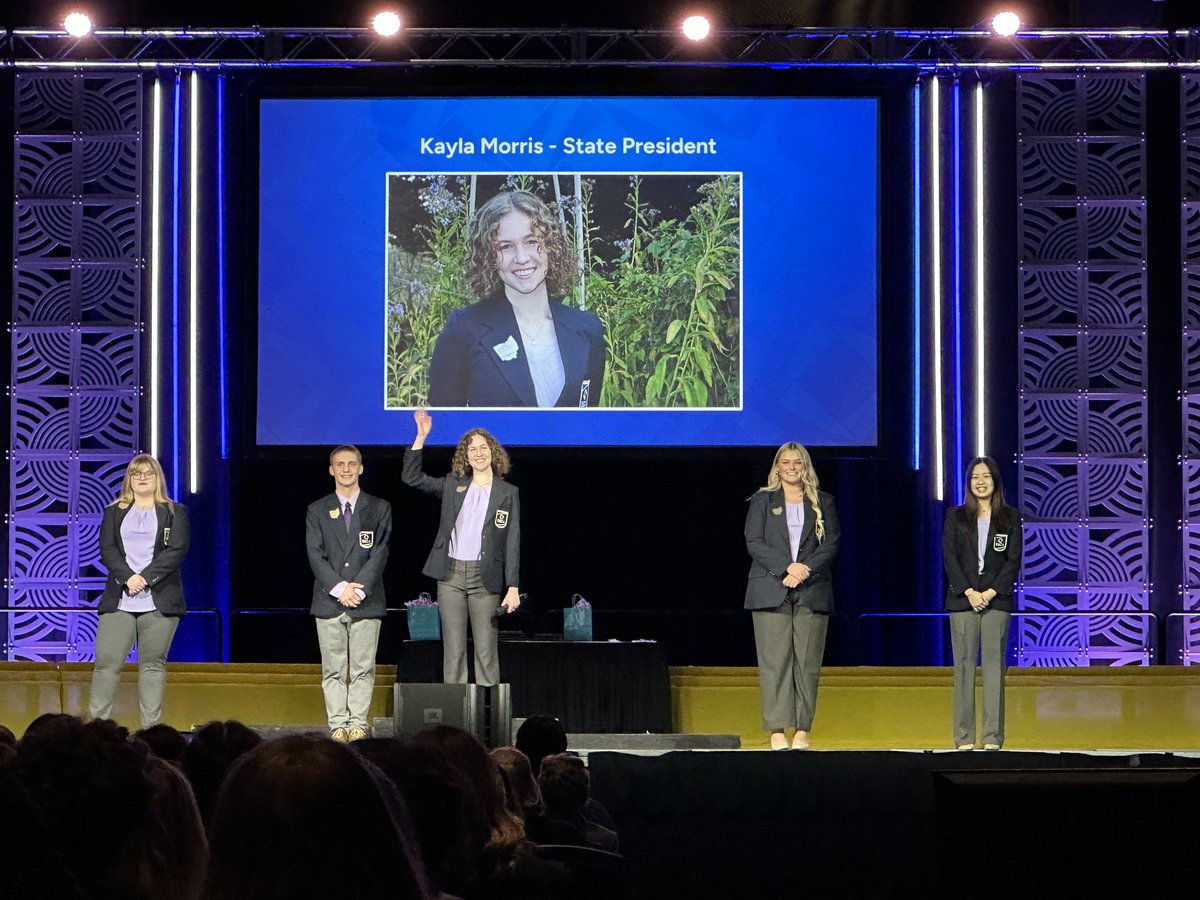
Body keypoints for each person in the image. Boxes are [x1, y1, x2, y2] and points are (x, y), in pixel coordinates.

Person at [428, 189, 606, 408]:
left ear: (551, 246)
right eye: (506, 246)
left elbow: (588, 417)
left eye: (531, 241)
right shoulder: (464, 330)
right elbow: (443, 423)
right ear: (488, 256)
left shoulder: (588, 329)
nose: (521, 258)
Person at [403, 409, 521, 685]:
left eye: (483, 447)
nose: (478, 453)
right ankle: (456, 711)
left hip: (485, 577)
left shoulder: (507, 493)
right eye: (472, 449)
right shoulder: (451, 484)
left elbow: (512, 539)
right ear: (465, 457)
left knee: (486, 651)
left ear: (493, 452)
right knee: (454, 651)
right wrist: (421, 437)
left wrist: (513, 586)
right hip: (451, 576)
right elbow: (411, 478)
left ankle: (488, 710)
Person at [743, 443, 840, 751]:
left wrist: (803, 571)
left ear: (805, 466)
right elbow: (754, 541)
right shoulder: (762, 501)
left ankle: (802, 730)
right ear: (777, 466)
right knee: (774, 664)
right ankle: (776, 730)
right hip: (771, 589)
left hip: (812, 590)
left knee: (807, 665)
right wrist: (787, 567)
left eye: (797, 462)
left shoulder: (823, 501)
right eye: (785, 462)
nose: (791, 467)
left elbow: (832, 543)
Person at [90, 454, 190, 728]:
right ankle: (97, 730)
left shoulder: (175, 512)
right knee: (106, 664)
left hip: (160, 600)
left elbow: (176, 550)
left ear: (158, 478)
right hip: (120, 600)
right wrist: (128, 579)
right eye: (136, 473)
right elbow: (107, 550)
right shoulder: (114, 512)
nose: (142, 478)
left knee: (152, 665)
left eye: (148, 473)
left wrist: (144, 579)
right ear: (129, 479)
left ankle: (150, 732)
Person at [306, 445, 393, 742]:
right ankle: (337, 725)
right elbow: (315, 554)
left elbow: (380, 553)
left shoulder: (379, 508)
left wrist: (358, 589)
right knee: (333, 669)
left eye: (351, 464)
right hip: (329, 600)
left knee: (362, 668)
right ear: (331, 470)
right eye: (340, 464)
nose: (346, 469)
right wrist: (341, 588)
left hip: (366, 601)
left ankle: (357, 725)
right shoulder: (317, 509)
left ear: (361, 468)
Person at [943, 456, 1022, 751]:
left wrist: (989, 593)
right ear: (969, 482)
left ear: (995, 480)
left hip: (996, 602)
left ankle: (992, 737)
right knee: (963, 669)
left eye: (986, 476)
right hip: (963, 600)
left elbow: (1013, 561)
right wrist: (969, 592)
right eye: (976, 476)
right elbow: (949, 557)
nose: (980, 481)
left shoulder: (1010, 518)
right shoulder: (956, 516)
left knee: (993, 669)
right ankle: (964, 738)